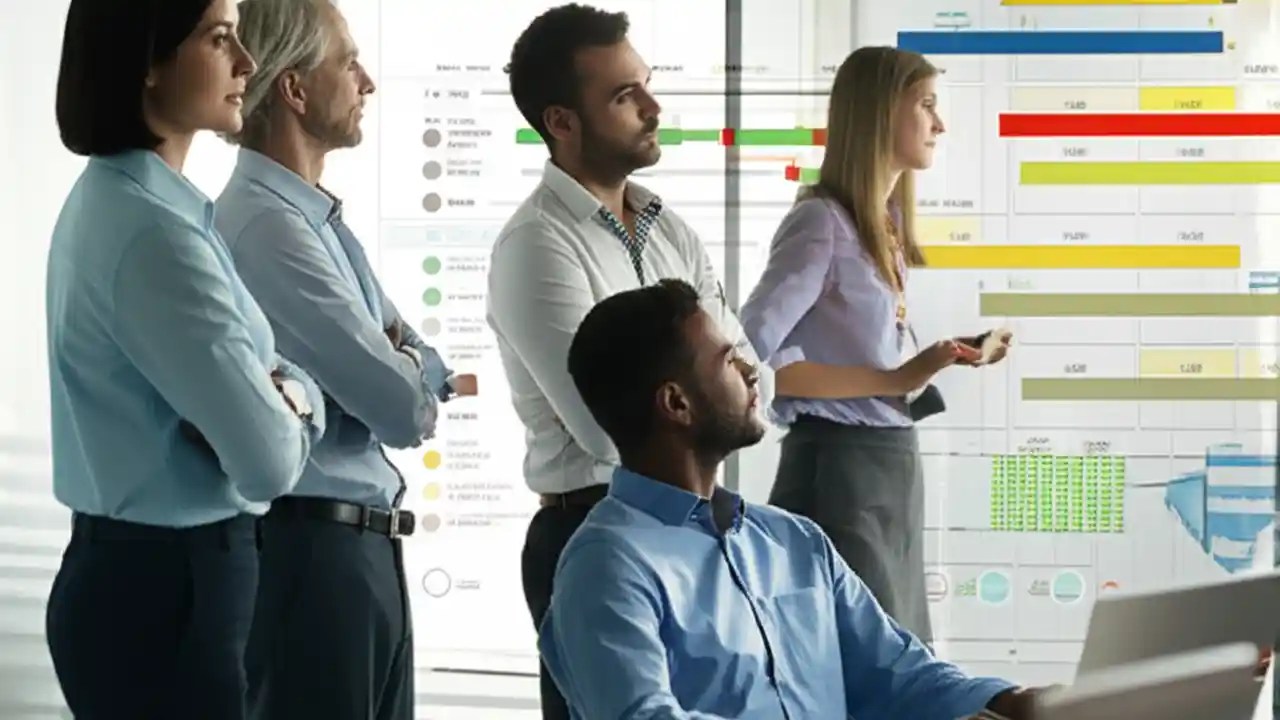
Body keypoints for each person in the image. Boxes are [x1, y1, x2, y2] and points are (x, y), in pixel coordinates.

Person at [540, 278, 1036, 719]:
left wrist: (1022, 703)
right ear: (677, 403)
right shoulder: (606, 565)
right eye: (727, 359)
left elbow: (897, 672)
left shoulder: (792, 540)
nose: (752, 371)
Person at [44, 1, 327, 717]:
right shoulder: (156, 236)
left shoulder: (125, 202)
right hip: (173, 589)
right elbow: (266, 462)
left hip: (136, 579)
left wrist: (280, 391)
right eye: (219, 38)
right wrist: (298, 399)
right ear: (148, 60)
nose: (248, 64)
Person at [489, 5, 772, 717]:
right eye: (624, 96)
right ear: (560, 121)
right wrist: (707, 393)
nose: (652, 107)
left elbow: (749, 375)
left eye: (645, 85)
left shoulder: (669, 228)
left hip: (694, 526)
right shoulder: (536, 245)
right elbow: (603, 426)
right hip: (590, 531)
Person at [213, 1, 475, 717]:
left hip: (355, 554)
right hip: (312, 556)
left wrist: (409, 360)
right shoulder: (268, 227)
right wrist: (412, 369)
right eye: (348, 62)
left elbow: (419, 356)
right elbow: (403, 406)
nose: (368, 81)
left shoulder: (313, 220)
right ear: (294, 90)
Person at [739, 46, 1011, 642]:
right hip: (839, 471)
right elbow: (750, 357)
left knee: (902, 657)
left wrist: (924, 363)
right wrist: (897, 379)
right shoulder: (820, 223)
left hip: (887, 466)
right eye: (927, 105)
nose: (940, 124)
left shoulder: (882, 222)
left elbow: (864, 350)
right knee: (863, 661)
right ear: (880, 112)